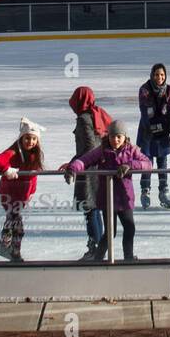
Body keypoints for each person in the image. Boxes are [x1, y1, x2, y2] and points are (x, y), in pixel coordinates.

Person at [64, 120, 151, 262]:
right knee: (111, 232)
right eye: (112, 136)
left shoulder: (132, 150)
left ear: (125, 137)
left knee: (130, 228)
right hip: (107, 199)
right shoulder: (102, 150)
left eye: (118, 137)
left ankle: (128, 257)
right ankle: (98, 259)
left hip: (125, 198)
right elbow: (84, 160)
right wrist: (72, 169)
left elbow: (147, 164)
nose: (115, 140)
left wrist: (130, 165)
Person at [0, 117, 46, 263]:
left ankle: (6, 248)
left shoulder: (34, 155)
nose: (30, 142)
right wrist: (6, 169)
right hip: (9, 195)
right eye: (27, 138)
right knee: (17, 226)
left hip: (21, 197)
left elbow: (33, 177)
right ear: (21, 138)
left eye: (33, 139)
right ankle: (13, 254)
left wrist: (32, 191)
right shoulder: (13, 152)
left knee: (12, 221)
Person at [68, 86, 111, 260]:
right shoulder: (97, 114)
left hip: (87, 170)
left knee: (90, 208)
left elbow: (89, 146)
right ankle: (99, 248)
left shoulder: (84, 118)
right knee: (95, 208)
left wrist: (76, 161)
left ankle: (95, 249)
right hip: (97, 167)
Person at [136, 63, 170, 209]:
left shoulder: (169, 90)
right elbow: (144, 111)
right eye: (156, 74)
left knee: (162, 162)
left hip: (163, 130)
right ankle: (145, 190)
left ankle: (163, 190)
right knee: (146, 162)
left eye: (162, 75)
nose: (159, 77)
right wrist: (148, 129)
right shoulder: (144, 90)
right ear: (152, 75)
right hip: (148, 130)